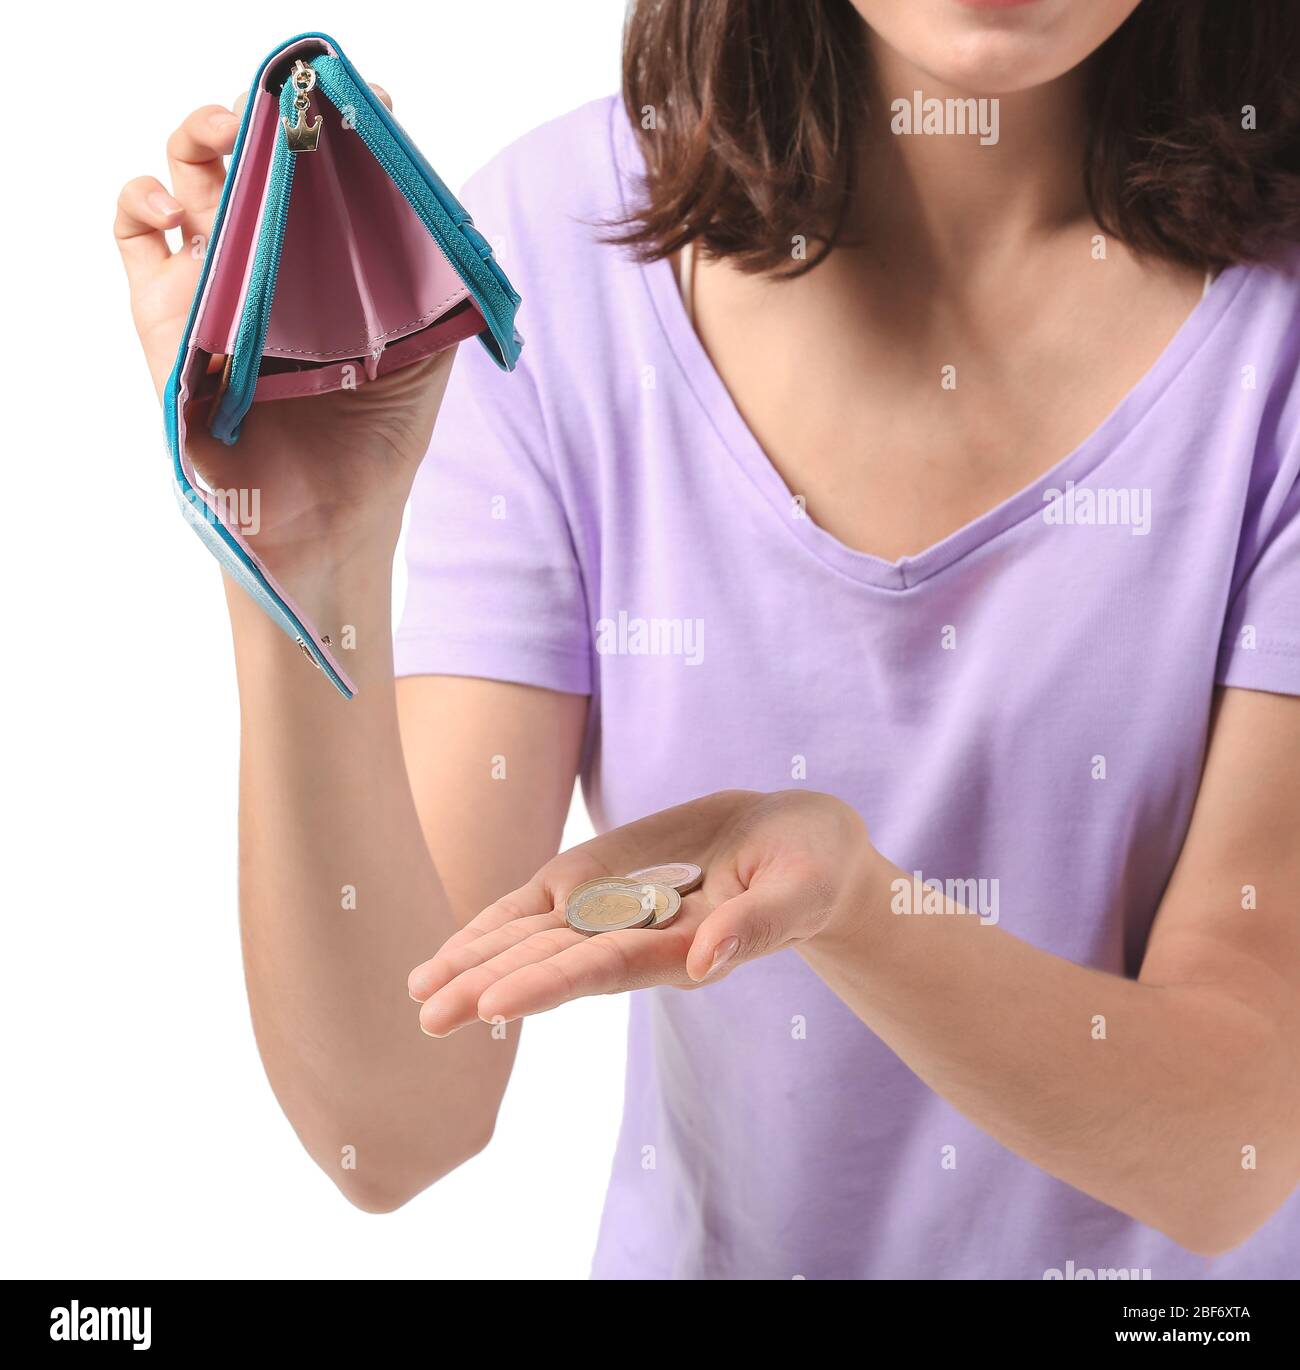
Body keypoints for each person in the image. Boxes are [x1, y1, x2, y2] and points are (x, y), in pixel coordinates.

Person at [115, 0, 1300, 1279]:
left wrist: (856, 910)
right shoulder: (546, 255)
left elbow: (1229, 1145)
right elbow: (396, 1122)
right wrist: (300, 562)